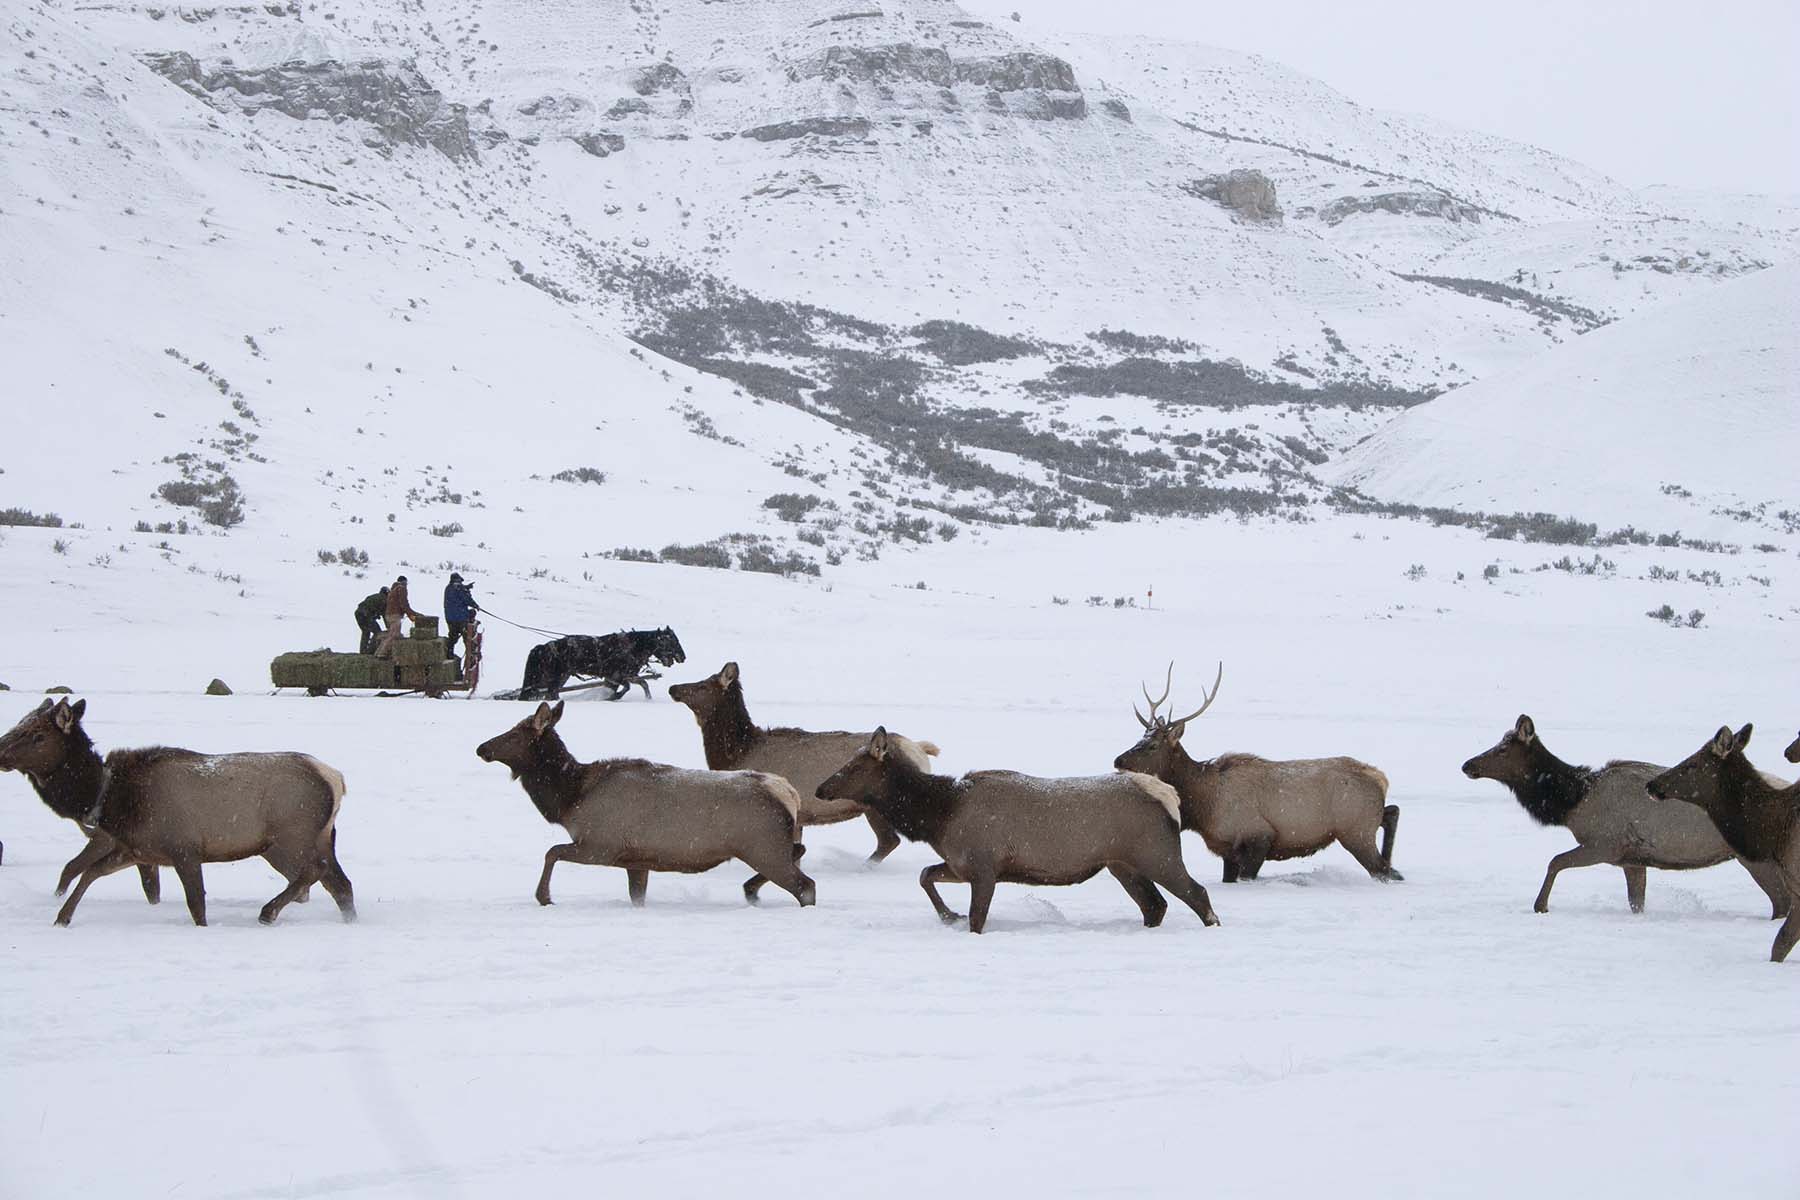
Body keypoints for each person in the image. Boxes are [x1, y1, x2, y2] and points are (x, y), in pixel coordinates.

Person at [374, 574, 426, 659]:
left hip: (389, 615)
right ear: (404, 582)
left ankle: (378, 652)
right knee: (394, 635)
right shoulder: (401, 588)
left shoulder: (393, 590)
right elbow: (404, 604)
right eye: (406, 583)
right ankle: (382, 653)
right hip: (395, 615)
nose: (406, 585)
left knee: (391, 635)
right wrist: (413, 615)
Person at [443, 572, 479, 660]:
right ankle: (471, 656)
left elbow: (457, 593)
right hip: (460, 617)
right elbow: (466, 599)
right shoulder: (459, 588)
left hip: (450, 618)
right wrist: (475, 605)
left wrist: (466, 588)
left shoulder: (448, 588)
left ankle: (449, 653)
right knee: (467, 638)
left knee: (453, 636)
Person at [354, 587, 389, 655]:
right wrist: (389, 627)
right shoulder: (384, 599)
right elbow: (384, 615)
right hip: (366, 615)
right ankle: (370, 650)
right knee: (377, 632)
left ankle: (363, 651)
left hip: (358, 613)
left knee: (365, 632)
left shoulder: (373, 596)